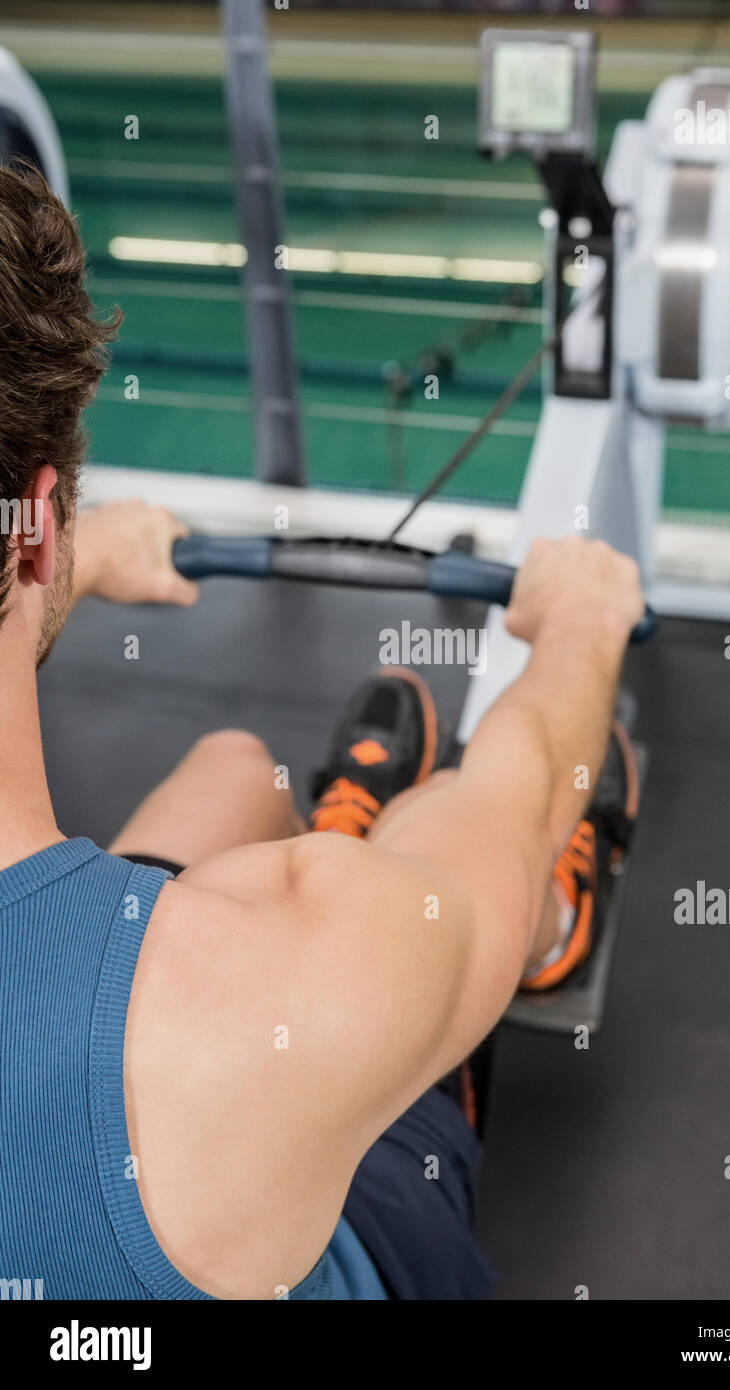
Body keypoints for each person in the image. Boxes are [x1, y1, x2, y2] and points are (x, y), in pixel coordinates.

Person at [0, 164, 643, 1301]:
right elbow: (531, 782)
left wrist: (85, 564)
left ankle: (362, 847)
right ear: (37, 518)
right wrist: (583, 626)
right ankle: (543, 915)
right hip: (312, 1161)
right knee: (436, 908)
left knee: (232, 772)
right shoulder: (274, 983)